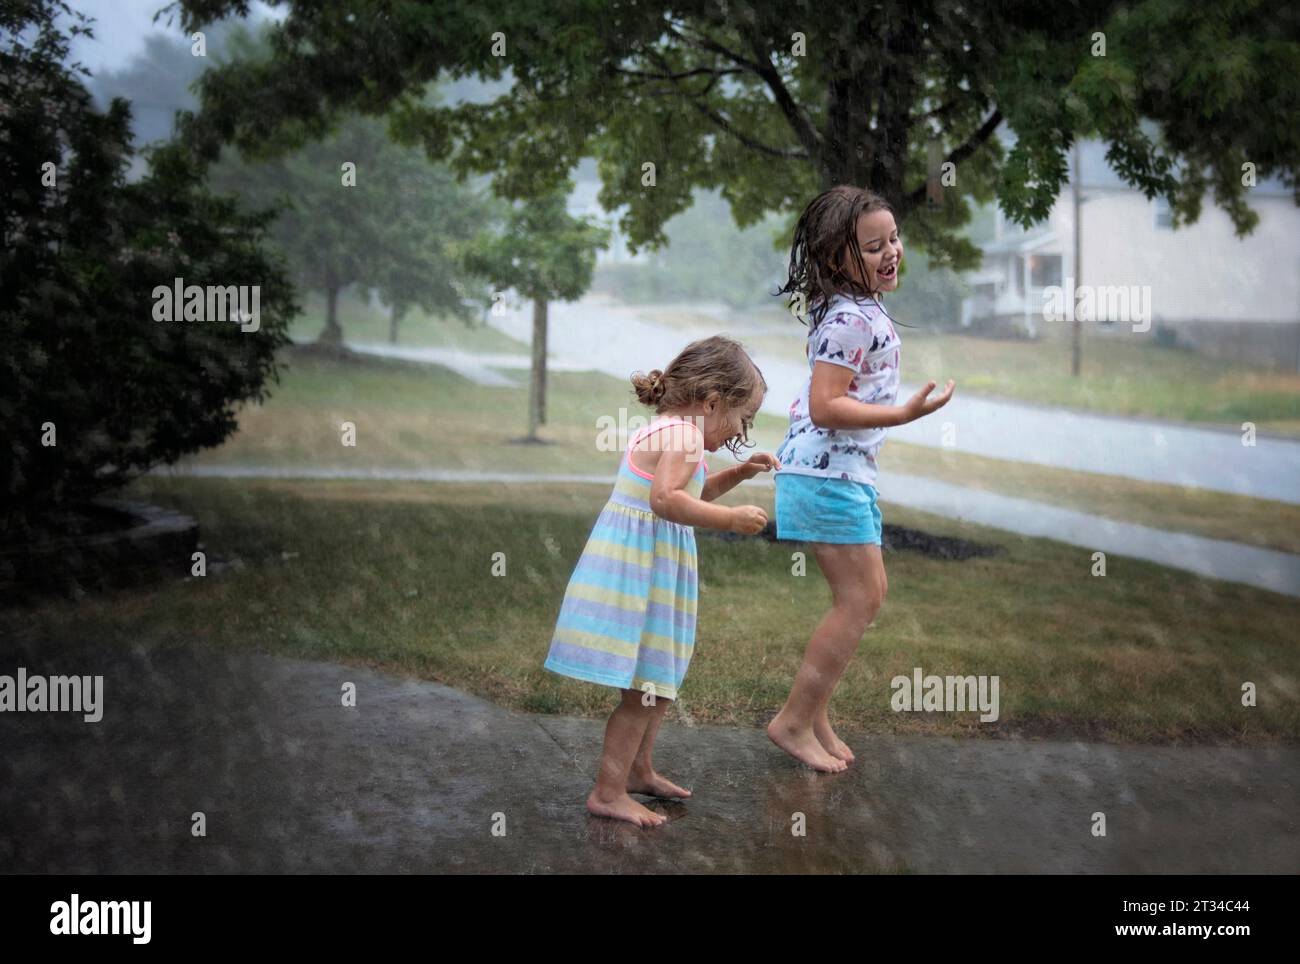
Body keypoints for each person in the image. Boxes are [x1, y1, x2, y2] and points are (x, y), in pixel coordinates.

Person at [544, 336, 778, 826]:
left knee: (657, 682)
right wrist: (730, 519)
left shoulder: (672, 429)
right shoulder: (686, 436)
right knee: (641, 691)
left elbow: (691, 490)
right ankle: (608, 791)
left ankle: (638, 771)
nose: (742, 428)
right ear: (713, 402)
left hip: (648, 567)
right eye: (742, 417)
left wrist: (736, 475)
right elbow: (666, 500)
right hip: (639, 571)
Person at [768, 185, 956, 773]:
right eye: (873, 246)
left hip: (840, 475)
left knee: (859, 598)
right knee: (861, 598)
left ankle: (814, 713)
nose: (891, 252)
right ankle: (794, 721)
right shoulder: (850, 318)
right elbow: (827, 405)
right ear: (835, 260)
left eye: (893, 239)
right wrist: (902, 413)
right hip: (826, 475)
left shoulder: (857, 309)